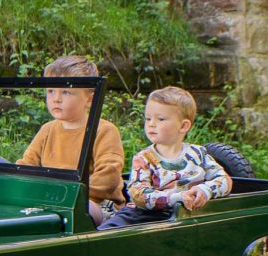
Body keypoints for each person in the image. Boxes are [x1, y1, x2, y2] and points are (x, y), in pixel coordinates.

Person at [98, 86, 232, 230]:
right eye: (148, 118)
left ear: (183, 126)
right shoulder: (144, 158)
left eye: (160, 119)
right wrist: (175, 198)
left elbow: (225, 180)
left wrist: (205, 190)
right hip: (148, 213)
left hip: (189, 212)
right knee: (107, 231)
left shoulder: (198, 154)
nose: (151, 124)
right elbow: (138, 194)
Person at [18, 55, 125, 224]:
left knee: (76, 212)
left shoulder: (103, 130)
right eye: (51, 91)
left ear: (89, 99)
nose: (56, 98)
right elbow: (26, 165)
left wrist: (69, 194)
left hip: (96, 202)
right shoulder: (47, 130)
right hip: (52, 199)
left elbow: (108, 176)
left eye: (66, 92)